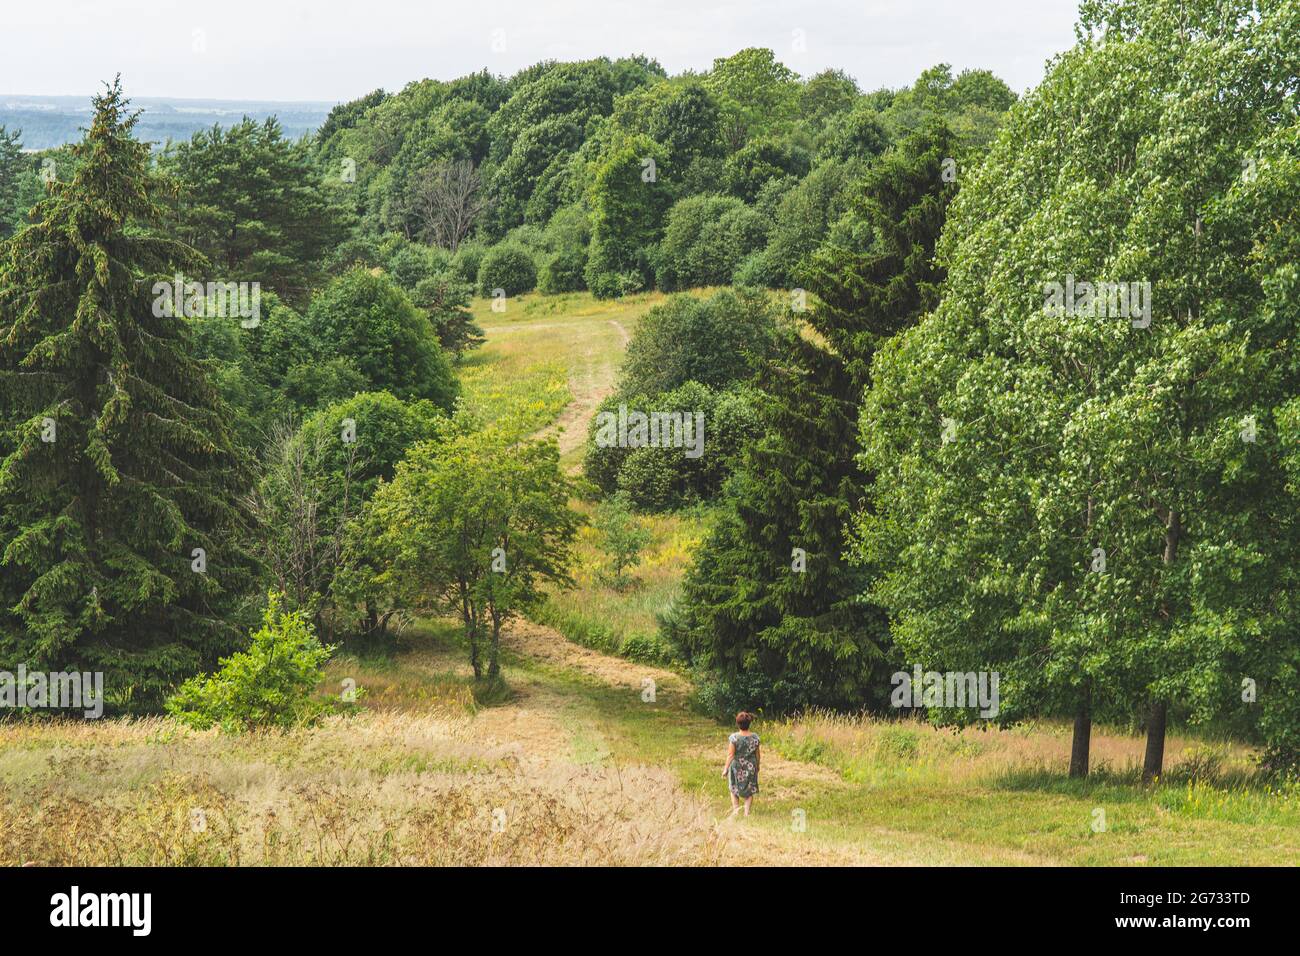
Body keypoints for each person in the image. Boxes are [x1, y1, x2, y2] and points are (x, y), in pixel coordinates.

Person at [722, 711, 760, 817]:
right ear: (749, 723)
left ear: (737, 723)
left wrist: (725, 769)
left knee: (734, 788)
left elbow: (730, 755)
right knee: (749, 789)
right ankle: (746, 813)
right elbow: (757, 754)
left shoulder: (734, 738)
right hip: (751, 766)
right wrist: (757, 766)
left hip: (736, 766)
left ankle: (736, 811)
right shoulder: (755, 737)